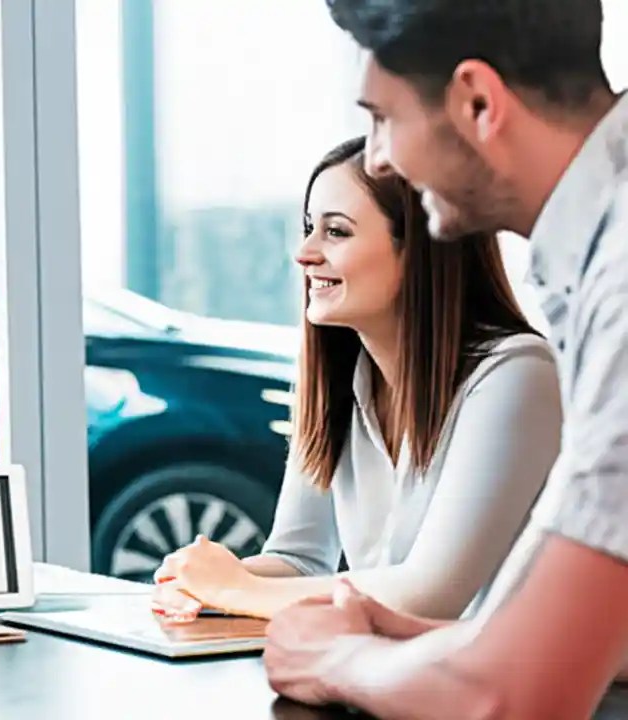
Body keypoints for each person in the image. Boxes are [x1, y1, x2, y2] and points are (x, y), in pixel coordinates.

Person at [261, 1, 628, 717]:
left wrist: (333, 656)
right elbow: (536, 647)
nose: (376, 159)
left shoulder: (616, 282)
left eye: (383, 119)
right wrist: (440, 643)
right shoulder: (592, 260)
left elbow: (514, 694)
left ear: (478, 103)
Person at [150, 136, 561, 622]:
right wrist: (200, 584)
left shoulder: (516, 376)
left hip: (552, 694)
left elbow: (429, 596)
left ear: (421, 250)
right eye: (308, 228)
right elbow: (299, 561)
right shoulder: (335, 380)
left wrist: (235, 590)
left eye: (336, 232)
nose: (304, 254)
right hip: (415, 678)